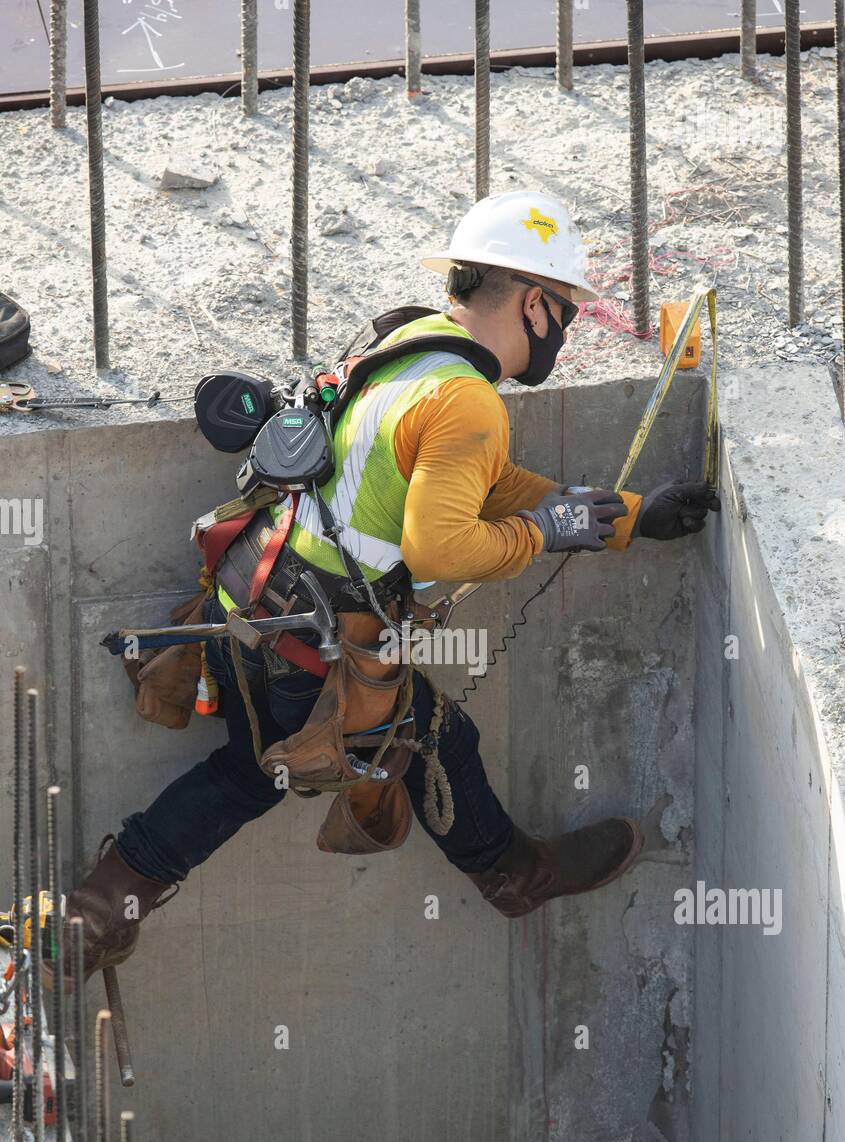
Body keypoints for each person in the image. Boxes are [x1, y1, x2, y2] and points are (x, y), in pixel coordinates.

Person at [47, 190, 719, 988]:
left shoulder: (408, 344)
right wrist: (549, 534)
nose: (566, 335)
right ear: (536, 305)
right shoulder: (468, 400)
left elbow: (481, 483)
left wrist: (628, 518)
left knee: (250, 768)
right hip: (308, 647)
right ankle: (515, 879)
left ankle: (95, 919)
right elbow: (443, 541)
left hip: (247, 604)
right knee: (424, 741)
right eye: (567, 313)